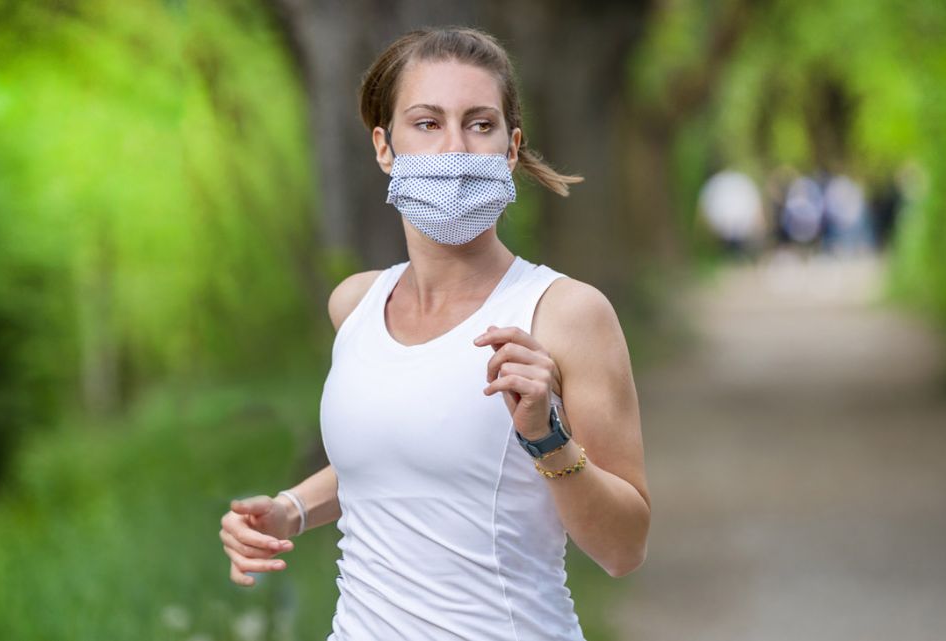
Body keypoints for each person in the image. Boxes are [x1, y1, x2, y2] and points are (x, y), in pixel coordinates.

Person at [218, 26, 650, 640]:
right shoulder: (356, 304)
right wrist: (291, 509)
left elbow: (624, 549)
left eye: (480, 124)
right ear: (384, 147)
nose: (454, 148)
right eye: (427, 123)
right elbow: (405, 453)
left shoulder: (565, 314)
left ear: (510, 148)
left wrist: (545, 439)